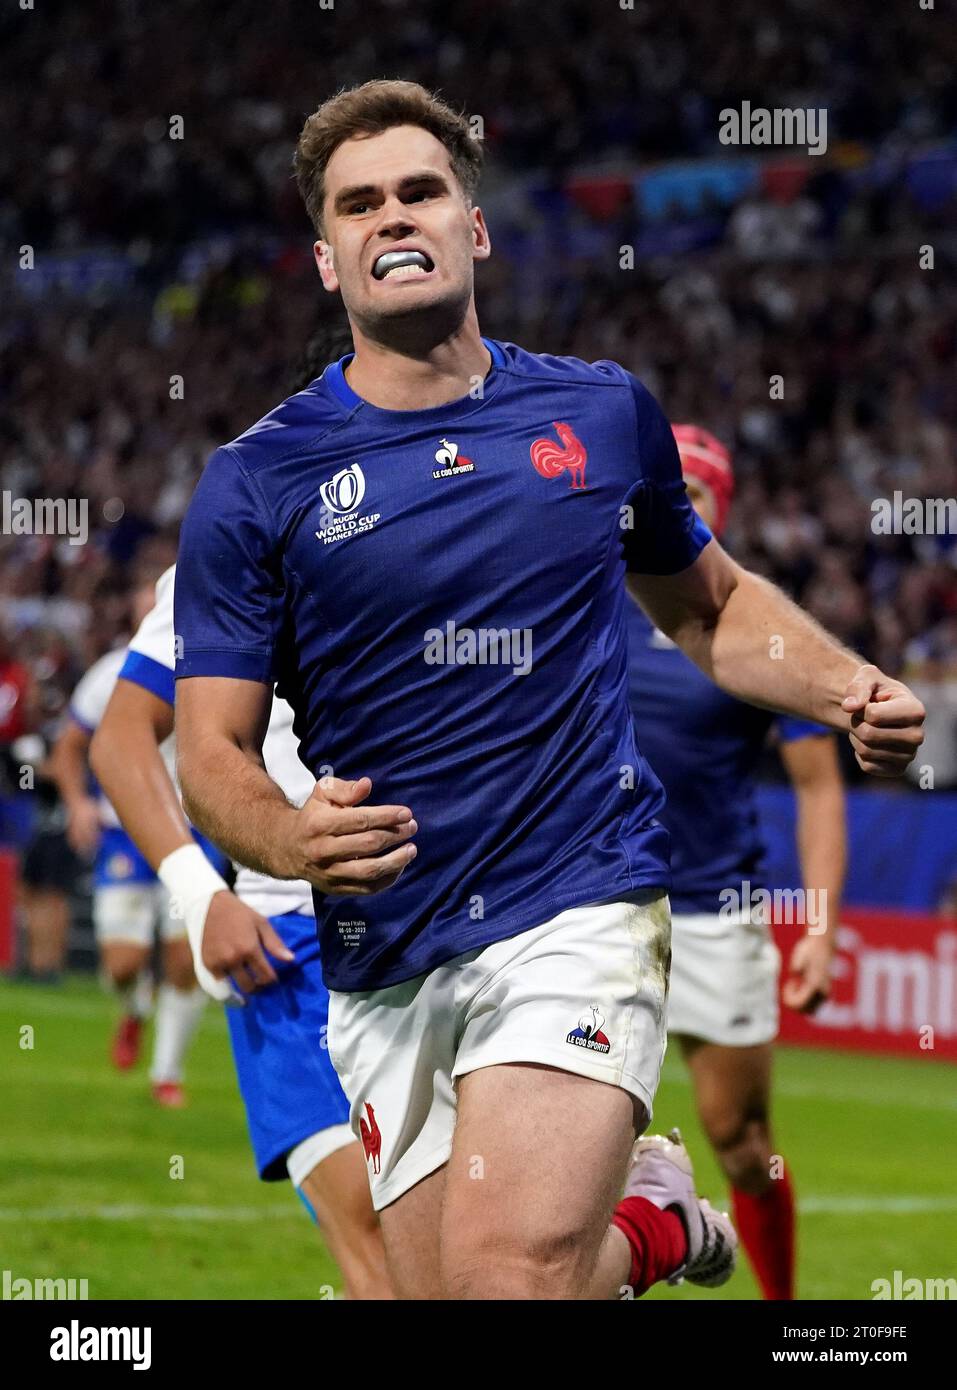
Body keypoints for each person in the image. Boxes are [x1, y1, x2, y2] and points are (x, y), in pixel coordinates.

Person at [171, 80, 924, 1300]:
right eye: (359, 204)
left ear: (474, 226)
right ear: (326, 258)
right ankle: (659, 1227)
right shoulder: (256, 482)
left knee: (509, 1279)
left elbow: (713, 605)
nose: (392, 216)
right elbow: (209, 748)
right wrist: (289, 834)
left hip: (577, 902)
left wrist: (845, 686)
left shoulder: (598, 408)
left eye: (421, 189)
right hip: (387, 944)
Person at [91, 559, 395, 1301]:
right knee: (378, 1254)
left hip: (451, 923)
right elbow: (119, 736)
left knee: (495, 1251)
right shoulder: (234, 535)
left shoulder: (462, 507)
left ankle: (646, 1233)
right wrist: (202, 897)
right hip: (286, 937)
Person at [626, 425, 846, 1300]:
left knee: (743, 1144)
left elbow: (819, 789)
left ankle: (786, 1314)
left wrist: (820, 932)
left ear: (719, 502)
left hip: (720, 911)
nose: (675, 500)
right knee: (571, 1133)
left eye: (694, 488)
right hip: (600, 903)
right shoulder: (585, 594)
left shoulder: (759, 622)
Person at [50, 575, 212, 1105]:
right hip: (125, 832)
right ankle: (133, 1009)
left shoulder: (217, 657)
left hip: (195, 828)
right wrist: (77, 803)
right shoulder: (111, 673)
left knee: (185, 958)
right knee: (122, 963)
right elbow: (70, 744)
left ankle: (167, 1073)